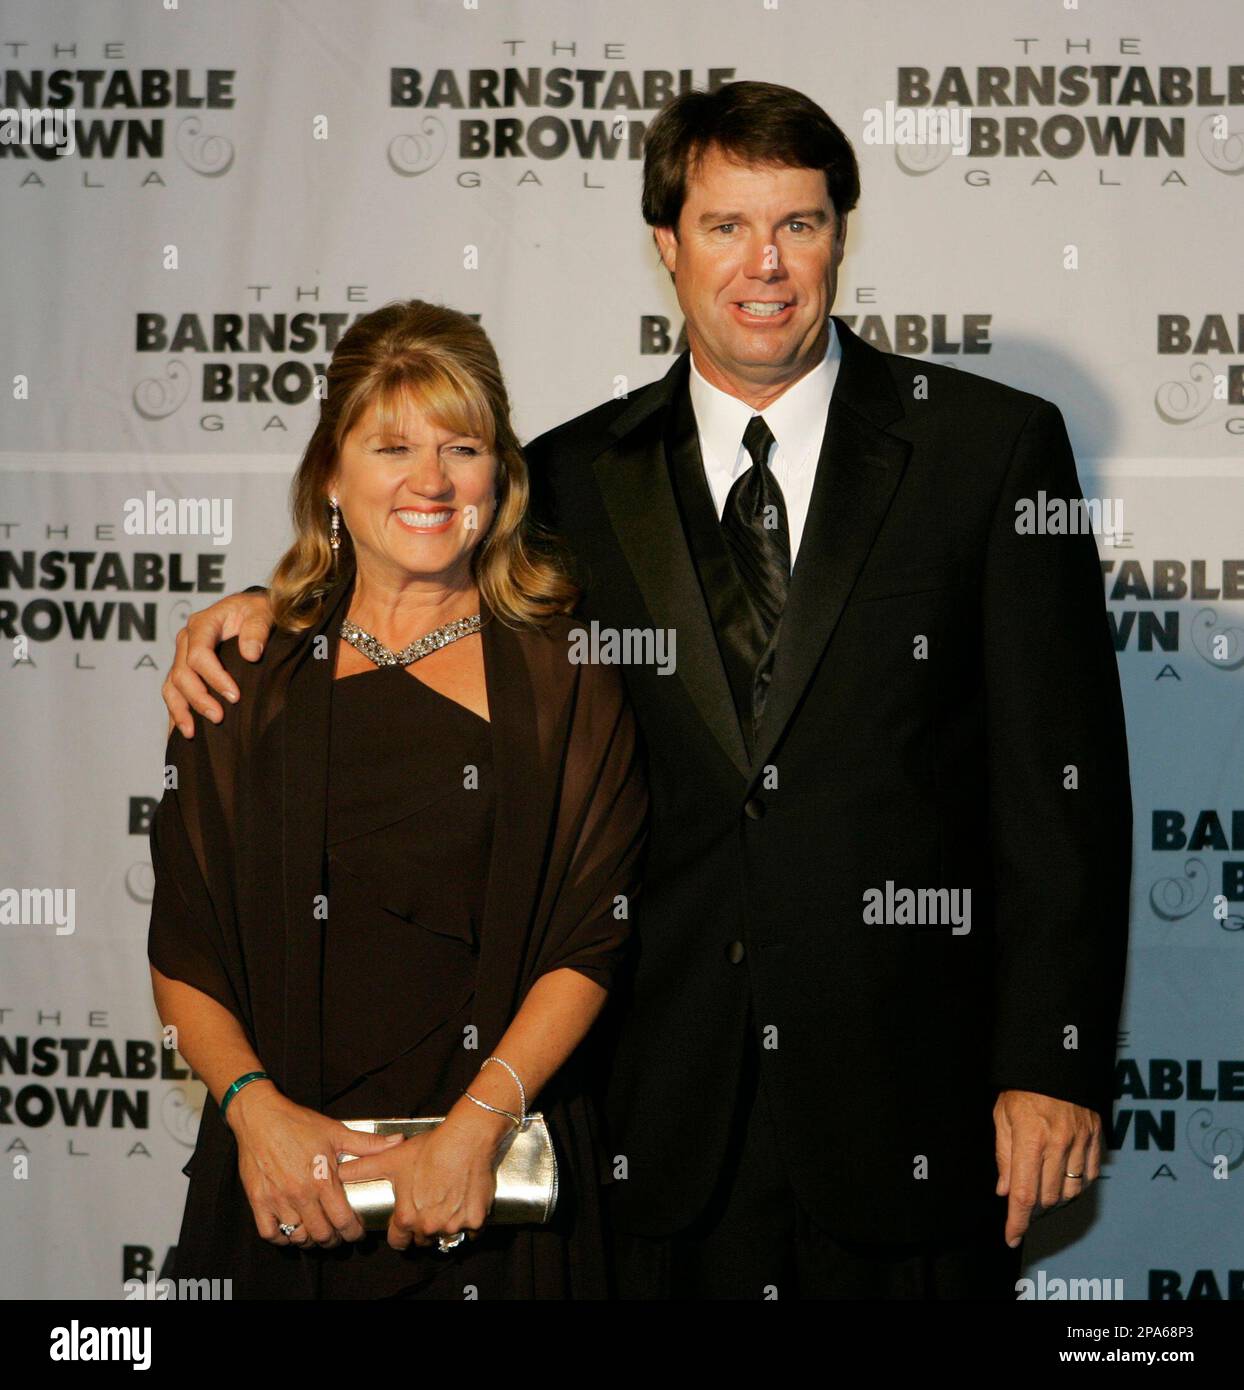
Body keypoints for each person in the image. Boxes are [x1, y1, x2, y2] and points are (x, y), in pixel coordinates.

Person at [160, 81, 1132, 1299]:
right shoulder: (569, 478)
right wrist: (265, 610)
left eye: (800, 223)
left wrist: (1050, 1062)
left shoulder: (987, 452)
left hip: (914, 1116)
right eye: (725, 226)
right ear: (666, 245)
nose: (764, 264)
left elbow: (1064, 787)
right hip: (648, 1131)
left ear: (843, 233)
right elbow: (418, 565)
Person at [147, 299, 648, 1299]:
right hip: (282, 1192)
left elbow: (593, 935)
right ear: (330, 473)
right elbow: (184, 944)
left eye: (460, 446)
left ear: (497, 474)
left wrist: (474, 1130)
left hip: (491, 1196)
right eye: (391, 447)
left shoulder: (563, 673)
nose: (429, 480)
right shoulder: (244, 675)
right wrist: (255, 1111)